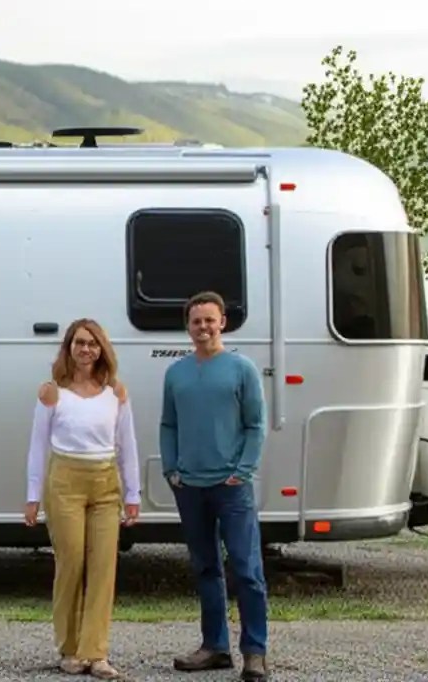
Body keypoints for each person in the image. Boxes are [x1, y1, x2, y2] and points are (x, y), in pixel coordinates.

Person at [159, 291, 269, 681]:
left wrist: (243, 470)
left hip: (231, 486)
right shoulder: (177, 373)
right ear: (187, 327)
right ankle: (215, 647)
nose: (203, 327)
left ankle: (255, 652)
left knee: (246, 567)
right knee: (206, 567)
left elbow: (256, 425)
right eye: (196, 321)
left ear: (223, 322)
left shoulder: (241, 369)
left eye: (210, 320)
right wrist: (171, 469)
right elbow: (168, 424)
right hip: (190, 485)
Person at [25, 318, 141, 679]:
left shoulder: (115, 393)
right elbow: (37, 446)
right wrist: (32, 496)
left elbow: (127, 446)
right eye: (79, 343)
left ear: (102, 349)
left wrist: (133, 493)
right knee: (71, 562)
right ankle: (69, 648)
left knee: (104, 566)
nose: (86, 349)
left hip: (105, 484)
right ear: (69, 348)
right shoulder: (52, 392)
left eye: (92, 343)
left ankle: (97, 652)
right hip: (65, 484)